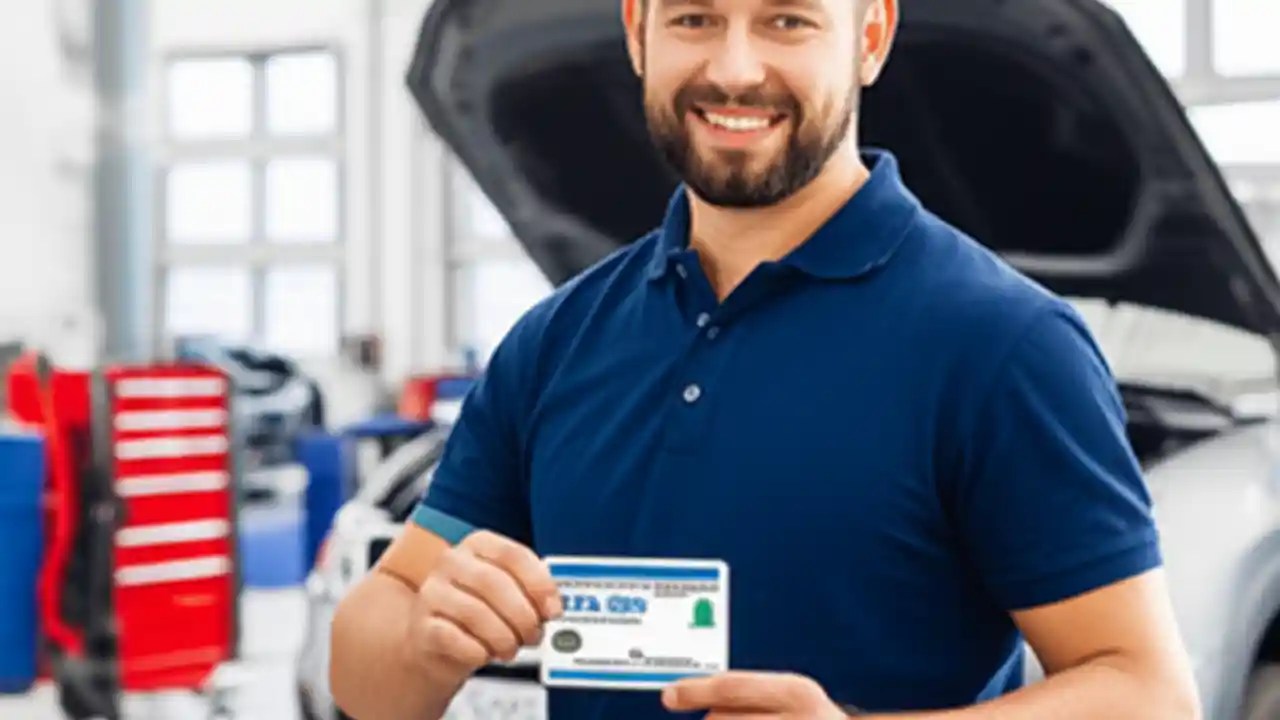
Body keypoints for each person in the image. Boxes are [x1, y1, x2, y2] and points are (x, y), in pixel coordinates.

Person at [329, 0, 1202, 717]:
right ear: (638, 32)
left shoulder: (1003, 345)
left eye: (786, 22)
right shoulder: (555, 341)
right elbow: (367, 677)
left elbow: (1149, 692)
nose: (736, 69)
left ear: (868, 38)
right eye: (695, 20)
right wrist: (421, 639)